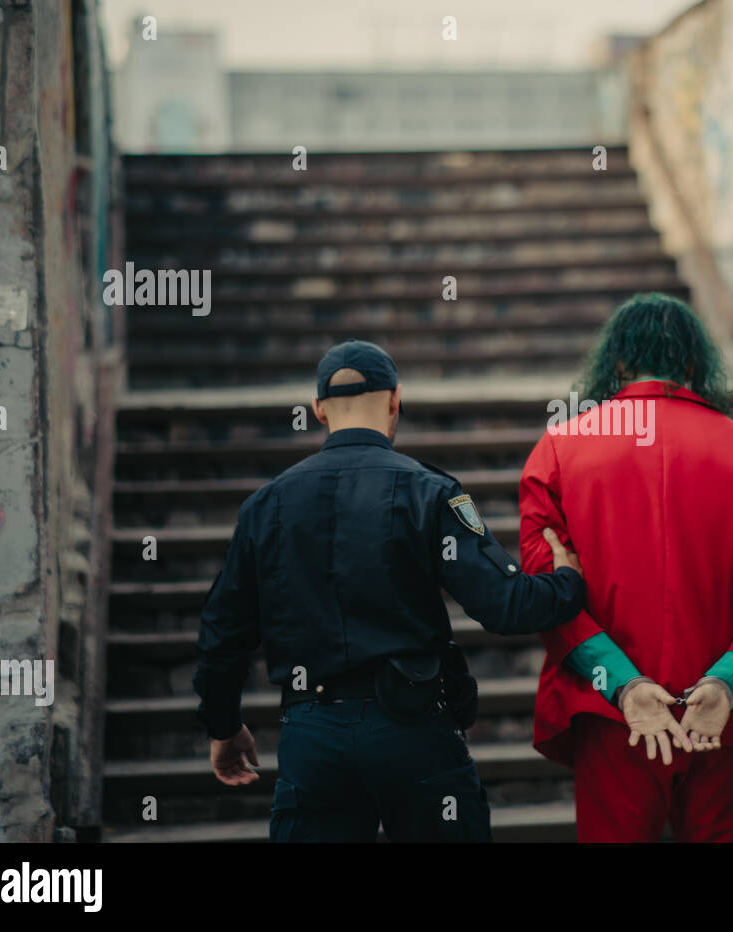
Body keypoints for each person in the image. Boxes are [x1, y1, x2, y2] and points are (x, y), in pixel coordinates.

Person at [193, 338, 586, 842]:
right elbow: (505, 605)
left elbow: (223, 632)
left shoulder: (266, 506)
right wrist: (568, 579)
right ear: (396, 398)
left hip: (313, 737)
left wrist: (223, 725)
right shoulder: (429, 491)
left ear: (317, 409)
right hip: (413, 730)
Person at [518, 293, 733, 843]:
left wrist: (622, 685)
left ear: (617, 364)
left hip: (609, 717)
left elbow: (545, 593)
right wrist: (727, 680)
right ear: (696, 364)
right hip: (720, 715)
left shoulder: (558, 449)